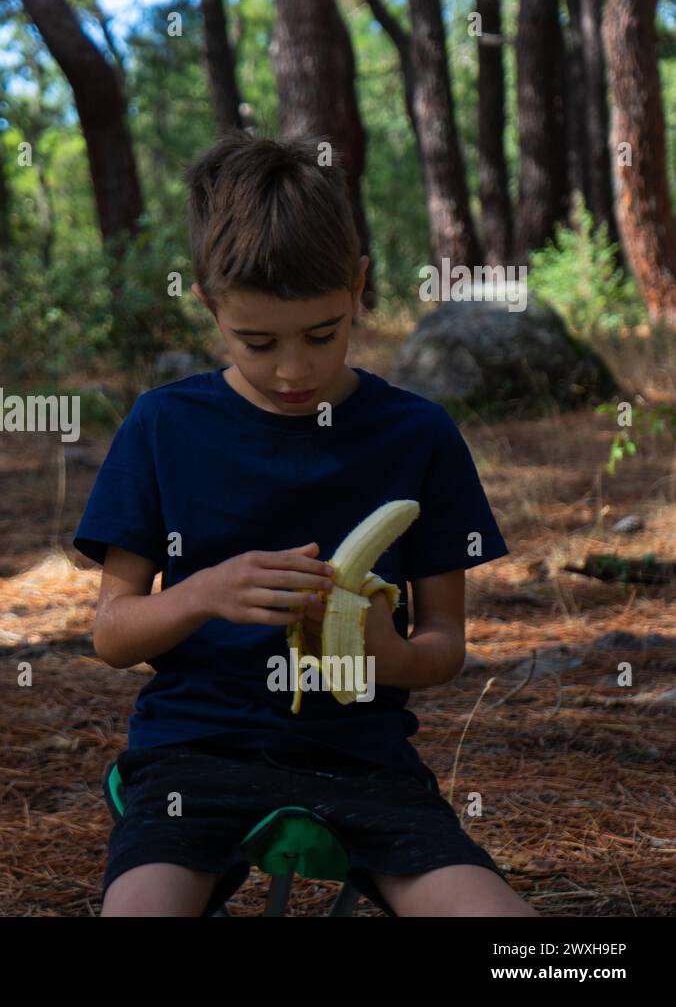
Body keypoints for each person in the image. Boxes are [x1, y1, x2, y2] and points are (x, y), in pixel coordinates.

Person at [73, 130, 537, 917]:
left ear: (359, 286)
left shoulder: (419, 435)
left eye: (322, 334)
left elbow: (445, 645)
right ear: (210, 304)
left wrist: (386, 654)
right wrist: (204, 593)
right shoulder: (161, 426)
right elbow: (111, 634)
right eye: (258, 342)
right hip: (194, 754)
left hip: (361, 758)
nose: (293, 369)